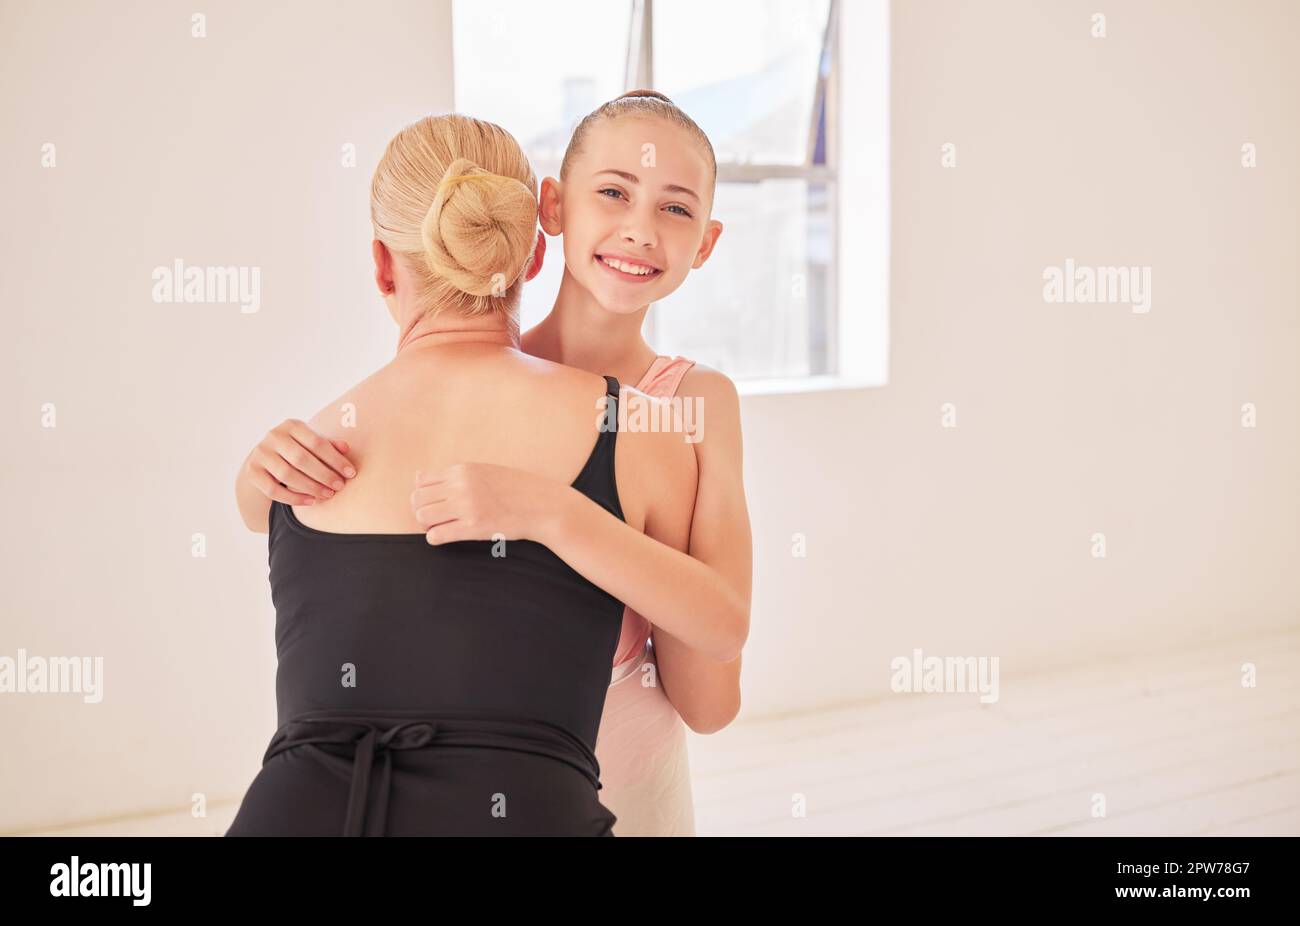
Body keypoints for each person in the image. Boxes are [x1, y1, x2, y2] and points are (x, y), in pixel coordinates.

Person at [226, 112, 695, 835]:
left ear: (382, 265)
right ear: (536, 254)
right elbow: (715, 639)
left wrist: (253, 478)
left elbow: (260, 513)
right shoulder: (632, 426)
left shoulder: (307, 451)